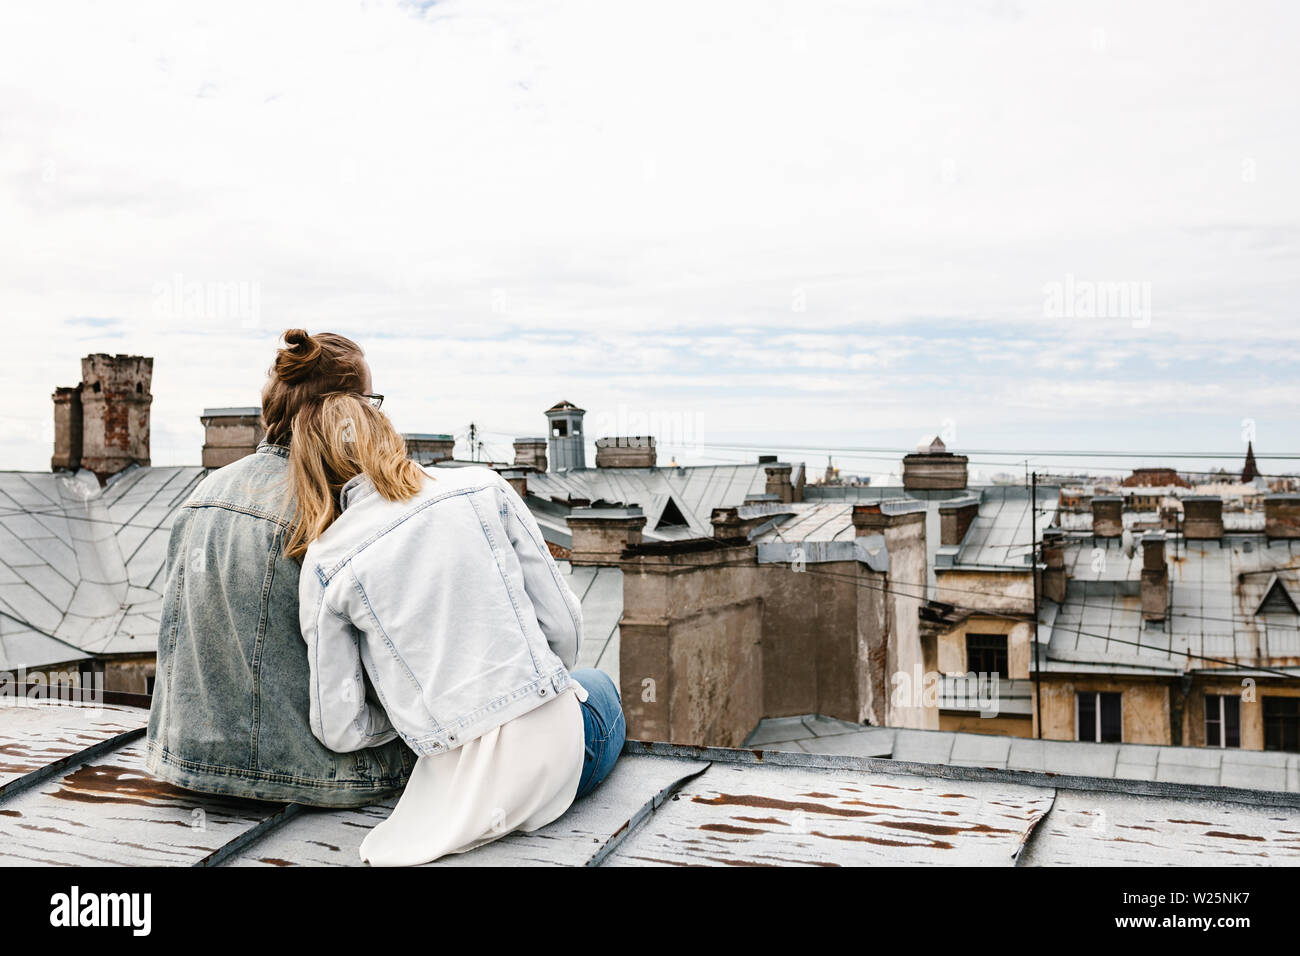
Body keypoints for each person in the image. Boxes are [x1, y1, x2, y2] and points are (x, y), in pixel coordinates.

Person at [285, 370, 625, 864]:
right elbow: (565, 631)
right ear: (387, 434)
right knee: (599, 686)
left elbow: (339, 728)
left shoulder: (323, 561)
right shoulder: (483, 487)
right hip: (554, 759)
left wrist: (416, 718)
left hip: (451, 802)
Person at [146, 329, 415, 806]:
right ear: (349, 410)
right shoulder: (346, 508)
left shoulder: (201, 495)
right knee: (588, 692)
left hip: (184, 763)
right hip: (324, 774)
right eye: (369, 402)